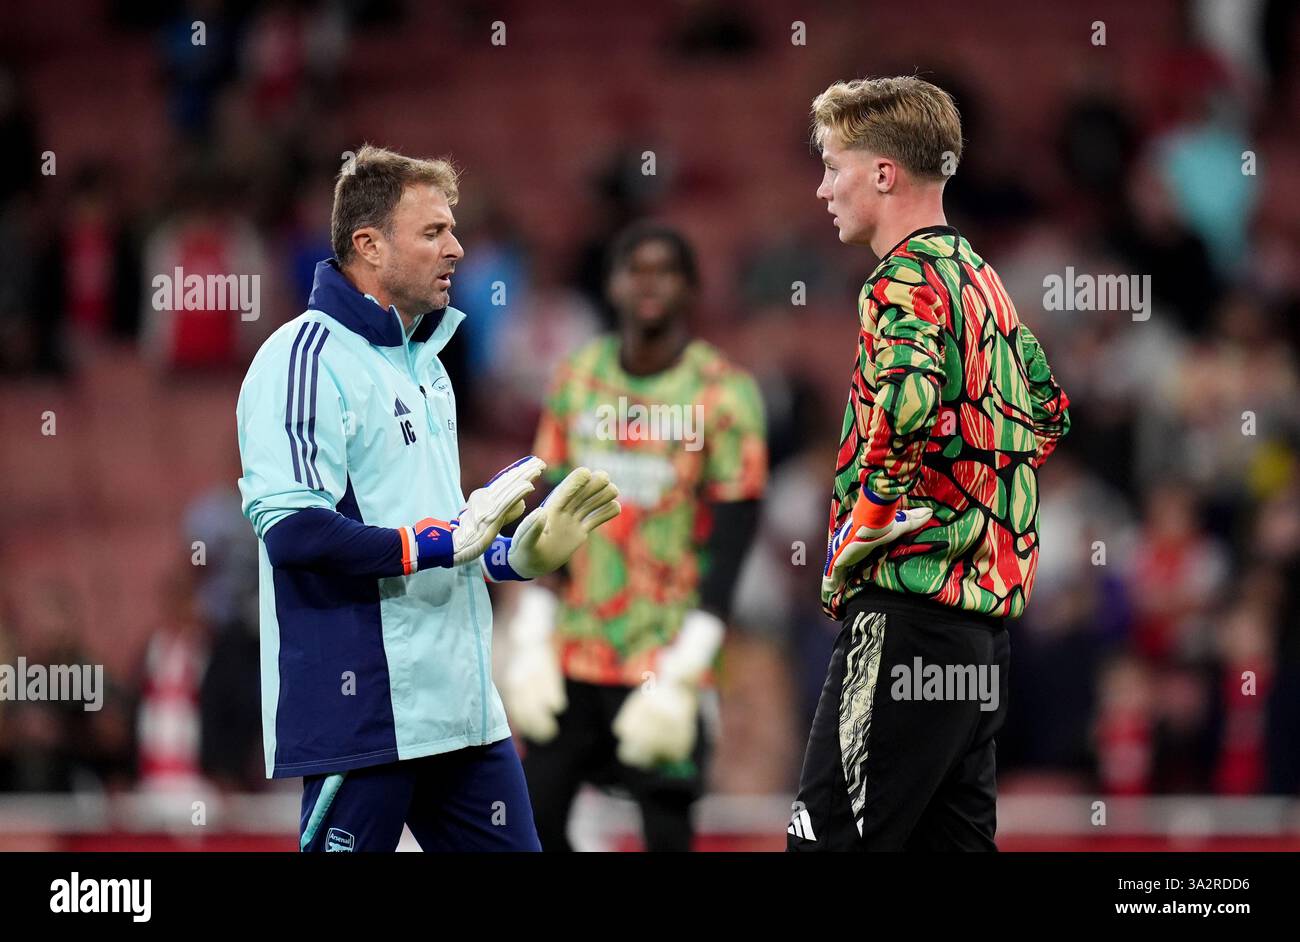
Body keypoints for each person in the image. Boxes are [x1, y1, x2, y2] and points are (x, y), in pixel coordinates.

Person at [235, 144, 621, 852]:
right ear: (368, 245)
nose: (458, 248)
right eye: (434, 232)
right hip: (365, 714)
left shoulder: (429, 365)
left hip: (465, 710)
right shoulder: (301, 357)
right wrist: (442, 542)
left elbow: (447, 531)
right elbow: (292, 532)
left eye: (454, 229)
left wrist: (512, 555)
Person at [788, 77, 1071, 851]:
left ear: (883, 174)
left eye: (833, 166)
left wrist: (861, 533)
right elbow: (1048, 415)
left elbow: (907, 403)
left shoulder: (902, 277)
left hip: (905, 621)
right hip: (980, 641)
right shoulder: (982, 279)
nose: (822, 188)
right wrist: (965, 496)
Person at [504, 223, 767, 851]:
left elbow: (732, 546)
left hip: (665, 654)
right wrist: (532, 638)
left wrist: (686, 672)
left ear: (693, 289)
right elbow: (548, 515)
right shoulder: (577, 379)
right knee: (533, 821)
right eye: (634, 269)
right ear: (612, 284)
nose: (648, 283)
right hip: (574, 651)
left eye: (665, 270)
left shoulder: (724, 395)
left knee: (667, 828)